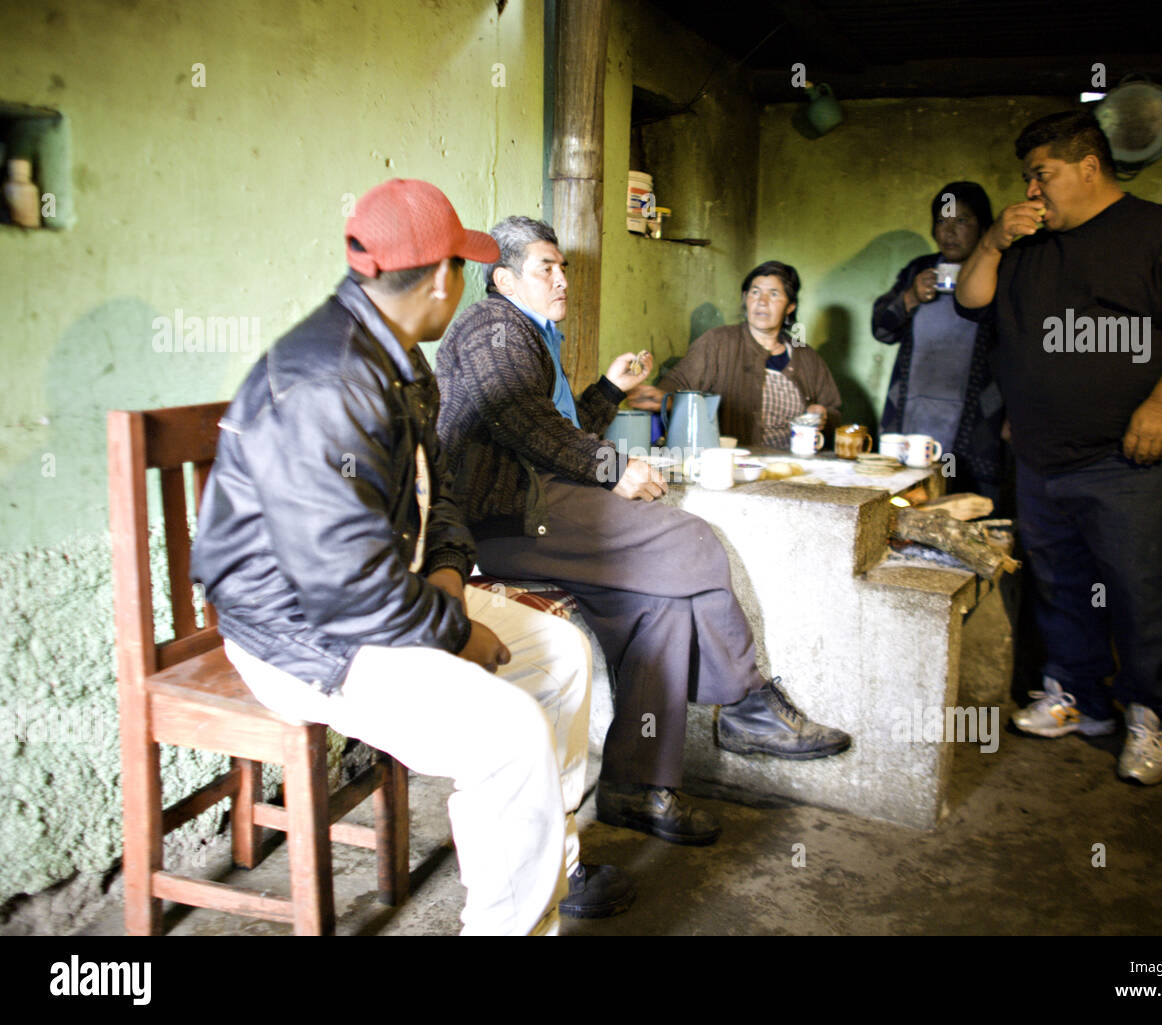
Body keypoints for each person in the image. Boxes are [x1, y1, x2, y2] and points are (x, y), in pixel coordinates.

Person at [191, 180, 634, 935]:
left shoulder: (398, 356)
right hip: (297, 638)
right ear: (438, 280)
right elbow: (341, 590)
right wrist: (456, 632)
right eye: (462, 270)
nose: (461, 290)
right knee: (508, 731)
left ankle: (549, 868)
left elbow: (444, 490)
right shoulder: (327, 379)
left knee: (560, 656)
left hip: (383, 598)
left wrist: (450, 575)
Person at [435, 216, 851, 846]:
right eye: (547, 266)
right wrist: (611, 466)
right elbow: (526, 426)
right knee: (692, 541)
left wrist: (608, 389)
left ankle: (637, 788)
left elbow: (551, 430)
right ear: (504, 278)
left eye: (563, 266)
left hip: (535, 507)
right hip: (501, 522)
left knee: (662, 606)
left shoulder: (531, 334)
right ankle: (745, 702)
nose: (562, 278)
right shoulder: (493, 326)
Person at [955, 111, 1162, 784]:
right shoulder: (1025, 242)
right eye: (1027, 177)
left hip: (1126, 456)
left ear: (1088, 167)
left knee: (1136, 588)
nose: (1031, 190)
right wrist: (995, 240)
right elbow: (972, 302)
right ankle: (1076, 697)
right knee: (1059, 584)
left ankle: (1153, 714)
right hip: (1038, 452)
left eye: (1042, 174)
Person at [872, 181, 1004, 502]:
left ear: (984, 227)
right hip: (912, 417)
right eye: (942, 221)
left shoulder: (1001, 270)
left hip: (977, 423)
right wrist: (910, 297)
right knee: (907, 503)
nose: (949, 232)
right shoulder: (918, 270)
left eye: (962, 221)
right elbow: (882, 330)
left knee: (967, 507)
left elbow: (1019, 343)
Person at [629, 261, 842, 449]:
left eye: (774, 294)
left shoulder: (805, 356)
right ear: (745, 298)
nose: (762, 301)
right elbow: (677, 383)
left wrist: (823, 414)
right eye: (755, 292)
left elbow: (833, 412)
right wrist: (661, 398)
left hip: (793, 464)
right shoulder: (718, 342)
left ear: (790, 306)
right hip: (734, 460)